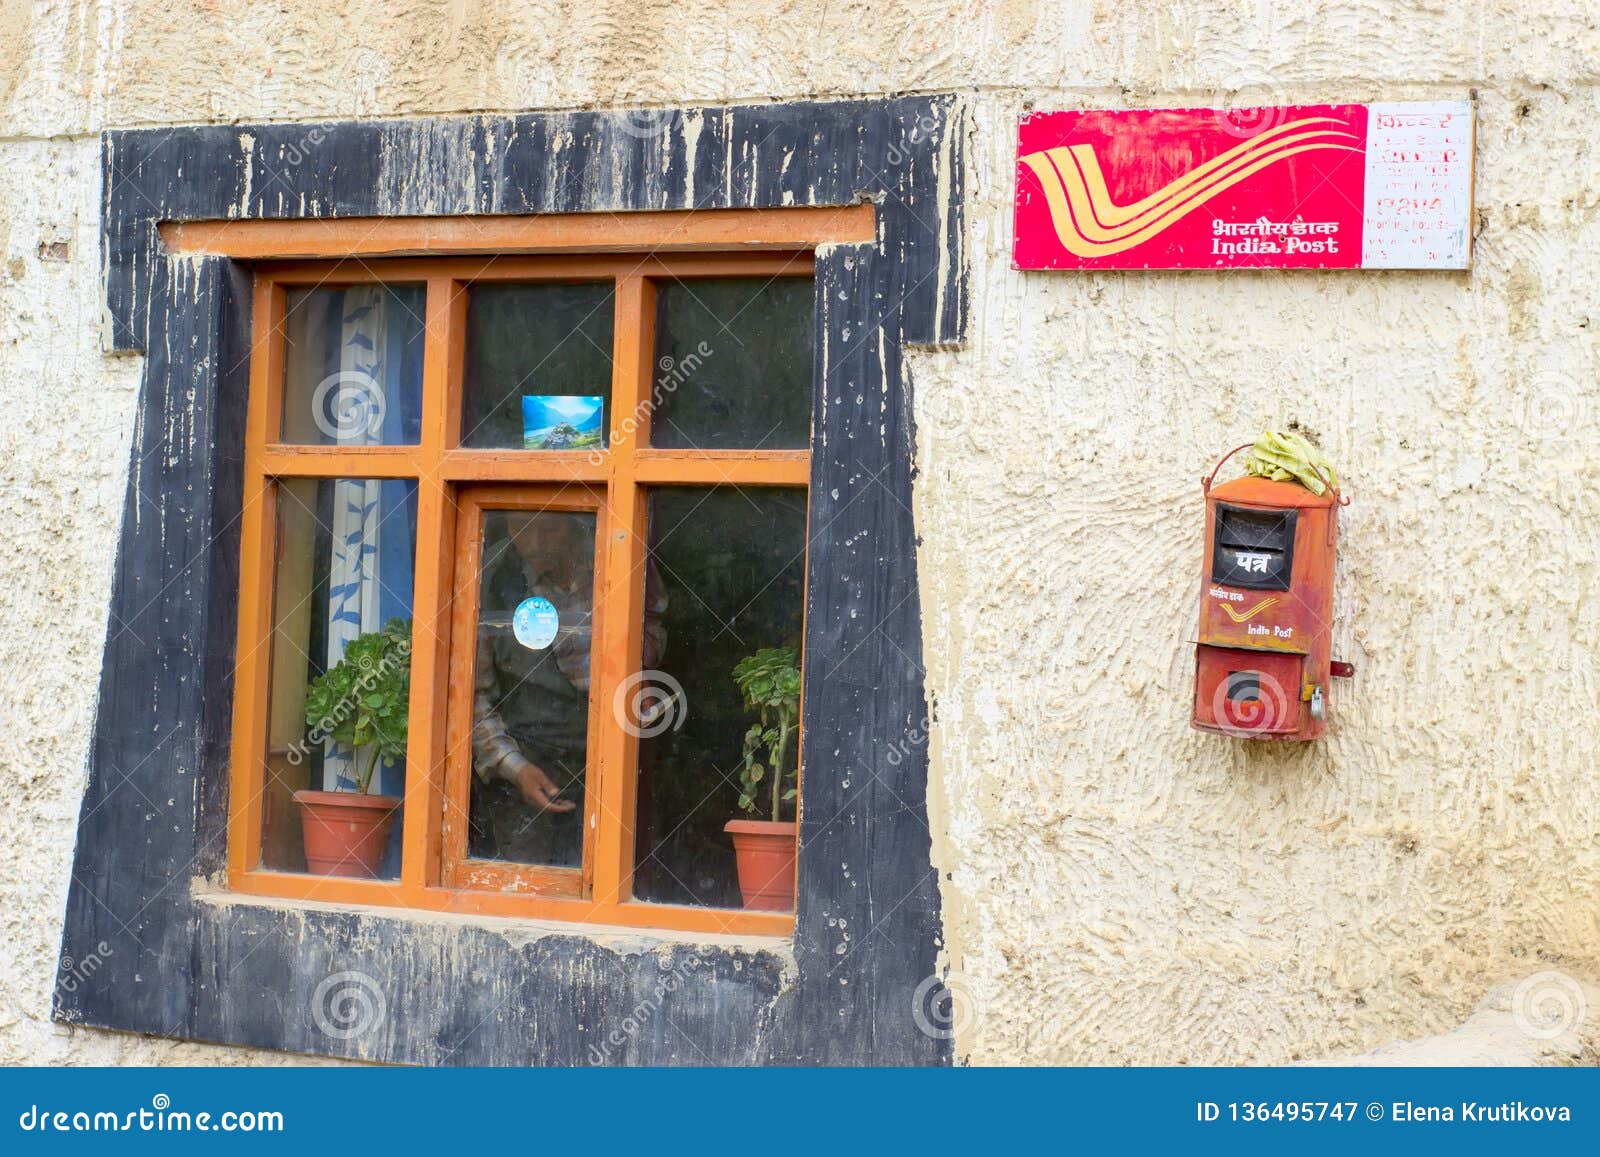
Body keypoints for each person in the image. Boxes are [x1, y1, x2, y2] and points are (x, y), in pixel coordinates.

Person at [468, 509, 665, 866]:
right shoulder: (491, 578)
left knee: (612, 875)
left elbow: (654, 623)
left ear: (576, 522)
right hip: (526, 764)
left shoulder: (618, 553)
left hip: (613, 759)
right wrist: (514, 768)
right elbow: (470, 696)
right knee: (528, 891)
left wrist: (640, 670)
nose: (535, 544)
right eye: (521, 529)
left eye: (550, 529)